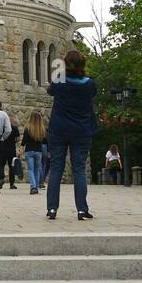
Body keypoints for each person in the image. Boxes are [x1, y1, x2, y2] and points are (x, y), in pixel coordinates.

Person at [45, 49, 97, 220]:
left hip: (59, 129)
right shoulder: (89, 83)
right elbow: (92, 94)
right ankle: (82, 209)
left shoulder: (59, 81)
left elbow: (50, 91)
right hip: (81, 130)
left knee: (56, 169)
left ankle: (52, 209)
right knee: (79, 170)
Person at [21, 111, 47, 195]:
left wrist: (21, 148)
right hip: (38, 151)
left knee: (30, 169)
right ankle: (36, 187)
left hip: (29, 150)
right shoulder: (42, 129)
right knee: (37, 170)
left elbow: (24, 140)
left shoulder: (27, 128)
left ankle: (33, 187)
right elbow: (44, 140)